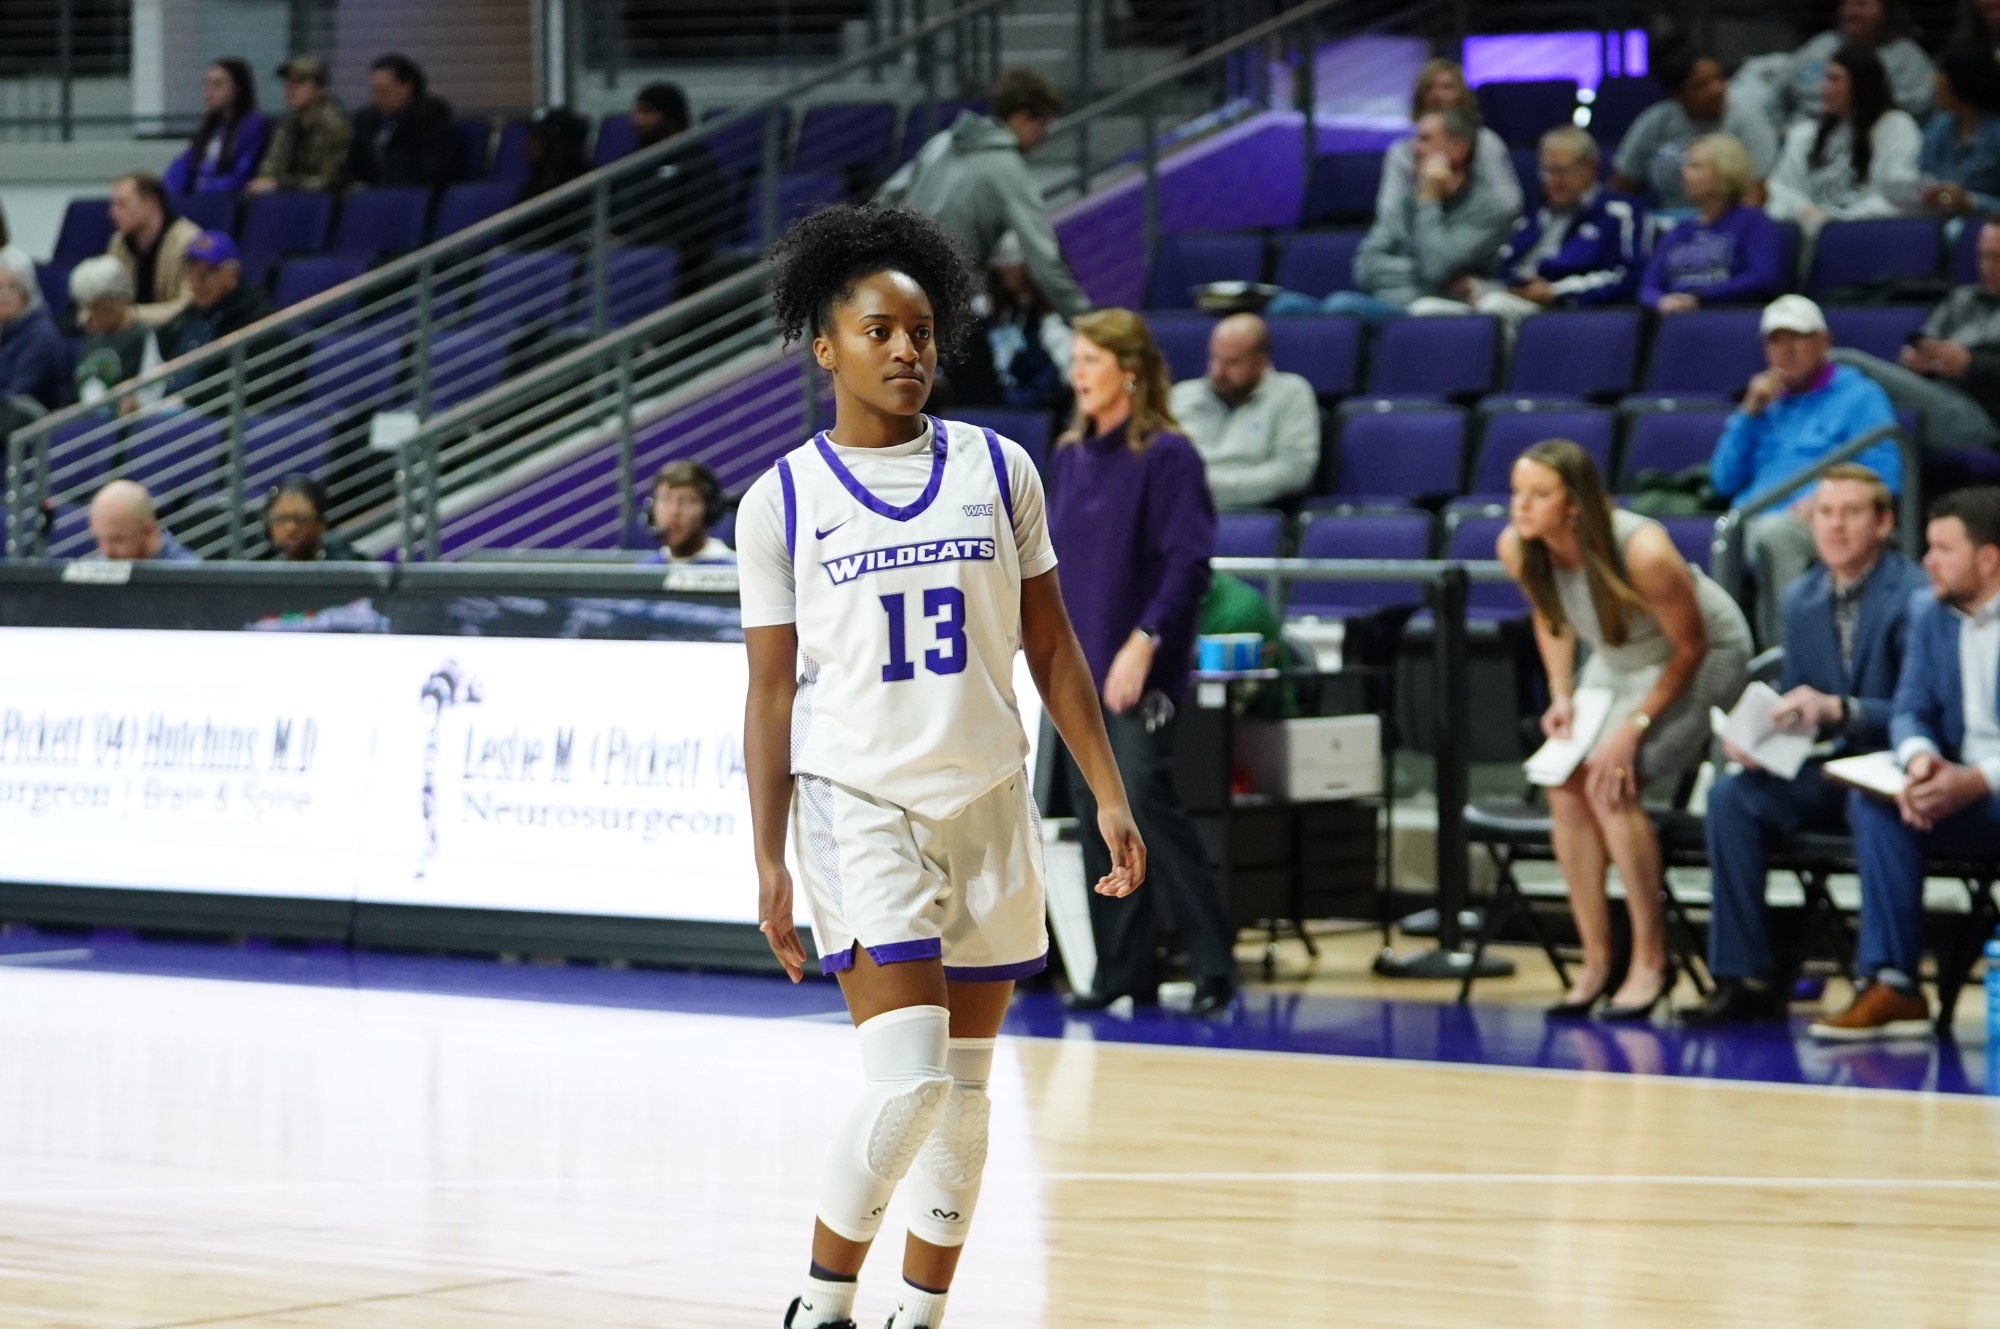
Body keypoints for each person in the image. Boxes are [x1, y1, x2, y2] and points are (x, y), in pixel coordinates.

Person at [736, 203, 1143, 1329]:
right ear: (825, 346)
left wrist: (1105, 790)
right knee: (908, 1081)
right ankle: (818, 1309)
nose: (905, 350)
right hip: (859, 805)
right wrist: (766, 861)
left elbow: (1050, 644)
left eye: (920, 333)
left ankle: (917, 1317)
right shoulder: (778, 502)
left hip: (989, 799)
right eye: (877, 331)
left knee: (963, 1097)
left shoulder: (998, 467)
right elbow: (769, 694)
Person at [1499, 439, 1753, 1020]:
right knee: (1564, 787)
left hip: (1700, 653)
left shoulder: (1642, 549)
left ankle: (1650, 961)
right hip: (1616, 657)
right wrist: (1562, 694)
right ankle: (1596, 960)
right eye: (1517, 492)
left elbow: (1690, 647)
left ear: (1573, 505)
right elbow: (1551, 617)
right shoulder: (1519, 547)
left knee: (1613, 780)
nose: (1521, 506)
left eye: (1539, 495)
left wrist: (1634, 727)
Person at [1681, 466, 1927, 1025]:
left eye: (1852, 512)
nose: (1835, 526)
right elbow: (1803, 699)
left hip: (1901, 769)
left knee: (1872, 805)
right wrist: (1764, 735)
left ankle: (1881, 979)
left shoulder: (1914, 596)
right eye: (1825, 512)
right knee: (1731, 797)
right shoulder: (1802, 598)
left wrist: (1841, 710)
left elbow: (1926, 709)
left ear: (1883, 523)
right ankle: (1745, 976)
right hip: (1834, 770)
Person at [1050, 308, 1238, 1018]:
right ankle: (1121, 969)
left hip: (1139, 673)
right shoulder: (1068, 455)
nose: (1079, 375)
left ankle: (1212, 961)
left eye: (1092, 361)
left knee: (1149, 809)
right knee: (1094, 814)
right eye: (1076, 361)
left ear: (1130, 368)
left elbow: (1188, 564)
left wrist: (1144, 640)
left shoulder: (1167, 455)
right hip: (1075, 676)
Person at [1813, 485, 2000, 1039]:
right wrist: (1920, 765)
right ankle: (1893, 984)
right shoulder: (1930, 612)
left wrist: (1977, 780)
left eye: (1943, 549)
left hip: (1987, 786)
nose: (1927, 563)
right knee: (1877, 806)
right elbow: (1909, 710)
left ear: (1988, 560)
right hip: (1960, 792)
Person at [1712, 295, 1904, 645]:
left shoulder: (1859, 395)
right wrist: (1746, 415)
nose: (1786, 350)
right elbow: (1722, 480)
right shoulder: (1764, 404)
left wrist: (1824, 501)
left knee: (1775, 533)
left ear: (1824, 342)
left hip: (1818, 520)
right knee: (1706, 536)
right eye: (1775, 340)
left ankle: (1785, 658)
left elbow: (1885, 475)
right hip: (1747, 520)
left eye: (1797, 337)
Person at [876, 66, 1089, 320]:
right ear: (1022, 118)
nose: (1044, 136)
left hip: (894, 285)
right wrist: (1083, 317)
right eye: (1042, 124)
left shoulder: (942, 142)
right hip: (939, 300)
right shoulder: (1008, 169)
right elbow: (1043, 256)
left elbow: (885, 198)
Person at [1272, 107, 1518, 321]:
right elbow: (1366, 265)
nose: (1414, 148)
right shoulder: (1408, 195)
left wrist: (1429, 198)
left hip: (1435, 313)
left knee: (1344, 306)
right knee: (1286, 306)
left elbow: (1435, 267)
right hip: (1393, 301)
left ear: (1458, 148)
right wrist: (1430, 280)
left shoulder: (1490, 207)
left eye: (1425, 139)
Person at [1831, 216, 2000, 450]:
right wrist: (1916, 359)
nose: (1987, 267)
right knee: (1853, 390)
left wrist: (1970, 364)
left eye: (1997, 258)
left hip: (1982, 415)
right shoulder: (1962, 299)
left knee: (1841, 362)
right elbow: (1924, 344)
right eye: (1983, 256)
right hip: (1934, 394)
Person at [1467, 126, 1645, 329]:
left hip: (1570, 311)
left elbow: (1626, 275)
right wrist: (1487, 286)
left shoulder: (1618, 212)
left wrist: (1555, 291)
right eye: (1547, 171)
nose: (1554, 181)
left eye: (1562, 171)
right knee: (1431, 308)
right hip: (1519, 298)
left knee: (1494, 307)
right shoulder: (1534, 218)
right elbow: (1506, 270)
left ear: (1590, 168)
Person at [1166, 312, 1318, 509]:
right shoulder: (1182, 395)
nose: (1219, 372)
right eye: (1215, 358)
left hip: (1250, 514)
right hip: (1177, 509)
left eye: (1233, 362)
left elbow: (1294, 471)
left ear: (1260, 361)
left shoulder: (1290, 393)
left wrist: (1214, 489)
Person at [1765, 43, 1924, 229]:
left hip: (1867, 234)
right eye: (1825, 78)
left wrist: (1838, 223)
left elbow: (1895, 194)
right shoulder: (1805, 134)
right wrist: (1807, 212)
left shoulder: (1895, 127)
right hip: (1811, 231)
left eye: (1834, 79)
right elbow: (1781, 188)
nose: (1823, 87)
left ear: (1861, 83)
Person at [1611, 44, 1780, 210]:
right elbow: (1622, 184)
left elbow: (1756, 194)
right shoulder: (1657, 121)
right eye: (1701, 86)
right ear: (1678, 95)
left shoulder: (1748, 121)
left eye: (1719, 78)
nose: (1716, 89)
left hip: (1726, 225)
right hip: (1666, 225)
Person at [1638, 133, 1786, 313]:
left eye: (1695, 166)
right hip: (1675, 321)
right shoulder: (1677, 232)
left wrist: (1701, 296)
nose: (1683, 173)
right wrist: (1662, 301)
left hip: (1730, 321)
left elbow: (1763, 278)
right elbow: (1647, 287)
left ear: (1724, 172)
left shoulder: (1754, 222)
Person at [1734, 0, 1935, 124]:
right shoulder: (1822, 44)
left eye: (1861, 4)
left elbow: (1917, 111)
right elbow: (1780, 91)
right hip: (1801, 134)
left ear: (1886, 11)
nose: (1851, 11)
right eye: (1847, 3)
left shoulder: (1907, 57)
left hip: (1867, 141)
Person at [611, 82, 728, 294]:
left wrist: (637, 240)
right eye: (636, 112)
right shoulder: (629, 162)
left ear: (670, 116)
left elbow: (698, 222)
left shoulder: (696, 160)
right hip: (623, 254)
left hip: (674, 257)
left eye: (647, 112)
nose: (636, 120)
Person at [1378, 58, 1523, 222]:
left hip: (1478, 233)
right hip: (1416, 238)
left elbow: (1509, 204)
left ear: (1462, 96)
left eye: (1447, 87)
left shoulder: (1485, 142)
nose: (1436, 95)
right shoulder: (1401, 151)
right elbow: (1388, 213)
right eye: (1429, 88)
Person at [951, 230, 1071, 411]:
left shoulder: (1053, 321)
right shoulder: (996, 313)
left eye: (1012, 261)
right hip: (993, 407)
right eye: (1001, 261)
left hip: (1035, 413)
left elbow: (1057, 382)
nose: (1004, 269)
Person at [344, 53, 458, 190]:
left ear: (406, 87)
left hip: (411, 198)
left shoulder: (430, 121)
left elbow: (431, 174)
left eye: (383, 91)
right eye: (374, 91)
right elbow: (352, 166)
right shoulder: (366, 120)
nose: (376, 99)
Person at [162, 58, 269, 196]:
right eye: (206, 84)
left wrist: (200, 188)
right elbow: (183, 166)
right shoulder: (209, 129)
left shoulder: (253, 125)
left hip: (228, 202)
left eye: (218, 84)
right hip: (200, 198)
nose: (209, 91)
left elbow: (241, 175)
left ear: (238, 89)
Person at [106, 172, 200, 328]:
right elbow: (107, 295)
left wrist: (129, 315)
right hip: (128, 333)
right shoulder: (119, 242)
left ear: (151, 202)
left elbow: (189, 306)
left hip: (173, 332)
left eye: (122, 204)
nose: (112, 213)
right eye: (113, 205)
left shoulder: (189, 240)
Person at [161, 230, 274, 358]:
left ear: (230, 275)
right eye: (191, 273)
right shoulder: (191, 313)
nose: (195, 283)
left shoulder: (255, 320)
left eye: (204, 275)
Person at [248, 56, 352, 194]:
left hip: (322, 204)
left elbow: (329, 181)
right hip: (290, 200)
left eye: (300, 82)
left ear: (320, 88)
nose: (291, 88)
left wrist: (281, 184)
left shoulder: (335, 126)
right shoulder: (287, 123)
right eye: (288, 82)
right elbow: (270, 166)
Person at [68, 257, 161, 410]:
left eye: (99, 307)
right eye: (89, 307)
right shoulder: (93, 339)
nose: (93, 314)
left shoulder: (141, 336)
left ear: (119, 300)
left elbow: (148, 395)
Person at [1918, 44, 2000, 215]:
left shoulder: (1996, 134)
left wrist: (1969, 201)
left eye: (1941, 74)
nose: (1933, 81)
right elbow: (1923, 175)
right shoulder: (1938, 127)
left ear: (1961, 80)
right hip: (1937, 223)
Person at [638, 459, 734, 564]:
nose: (674, 511)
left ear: (709, 510)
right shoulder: (645, 570)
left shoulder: (732, 569)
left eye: (687, 501)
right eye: (665, 499)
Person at [0, 262, 67, 411]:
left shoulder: (41, 334)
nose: (4, 294)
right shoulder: (5, 333)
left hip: (29, 420)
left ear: (25, 295)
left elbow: (19, 391)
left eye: (12, 287)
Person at [85, 479, 200, 561]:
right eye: (98, 539)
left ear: (147, 531)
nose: (106, 551)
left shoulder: (191, 580)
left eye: (117, 540)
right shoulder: (96, 570)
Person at [262, 474, 360, 561]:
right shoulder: (258, 570)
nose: (290, 528)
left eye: (301, 519)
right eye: (280, 518)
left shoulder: (349, 566)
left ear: (321, 524)